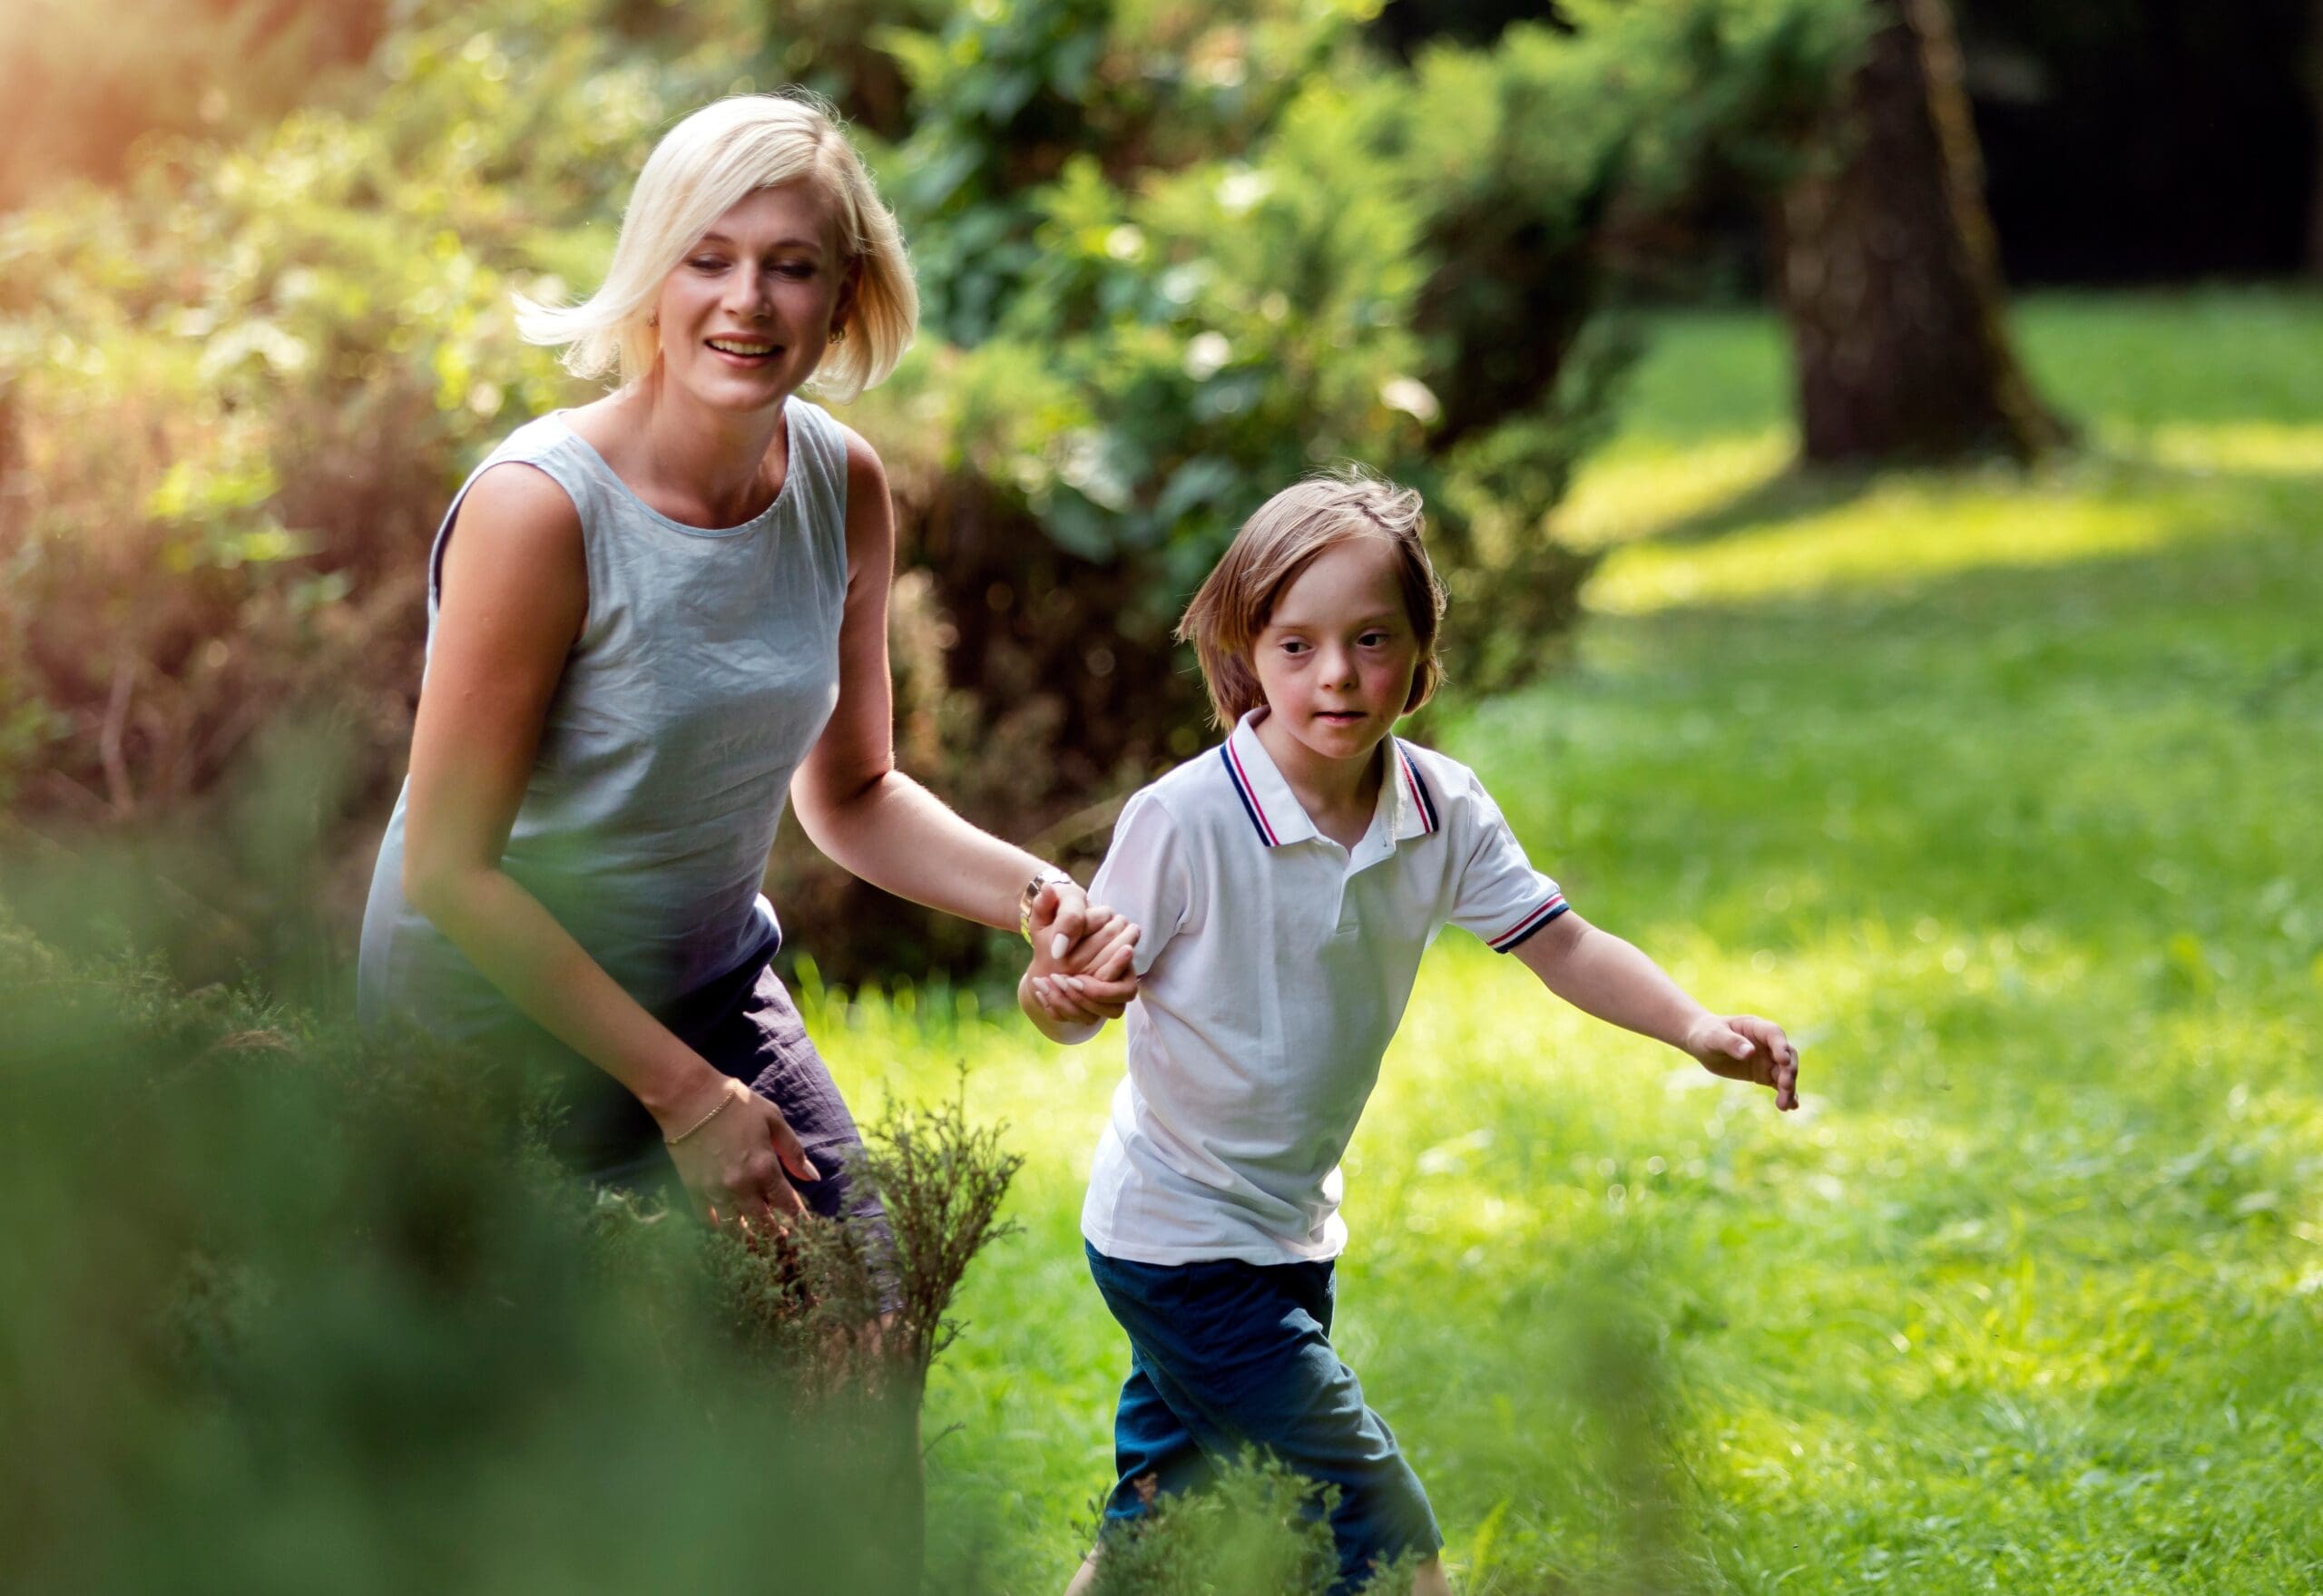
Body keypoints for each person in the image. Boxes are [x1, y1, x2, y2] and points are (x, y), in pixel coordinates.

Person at [358, 93, 1136, 1240]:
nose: (746, 300)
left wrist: (1044, 901)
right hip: (492, 1018)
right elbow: (448, 871)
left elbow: (854, 795)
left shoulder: (841, 485)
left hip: (711, 985)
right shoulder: (540, 511)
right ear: (651, 279)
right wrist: (684, 1097)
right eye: (706, 258)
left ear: (844, 297)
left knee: (856, 1311)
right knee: (595, 1394)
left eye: (791, 266)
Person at [1020, 470, 1801, 1596]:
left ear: (1421, 654)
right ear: (1248, 652)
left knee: (1162, 1514)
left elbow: (1561, 942)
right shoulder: (1183, 820)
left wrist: (1694, 1029)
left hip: (1288, 1230)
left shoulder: (1441, 808)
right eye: (1295, 646)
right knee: (1379, 1517)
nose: (1335, 674)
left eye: (1370, 639)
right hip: (1176, 1239)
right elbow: (1077, 994)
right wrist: (1058, 999)